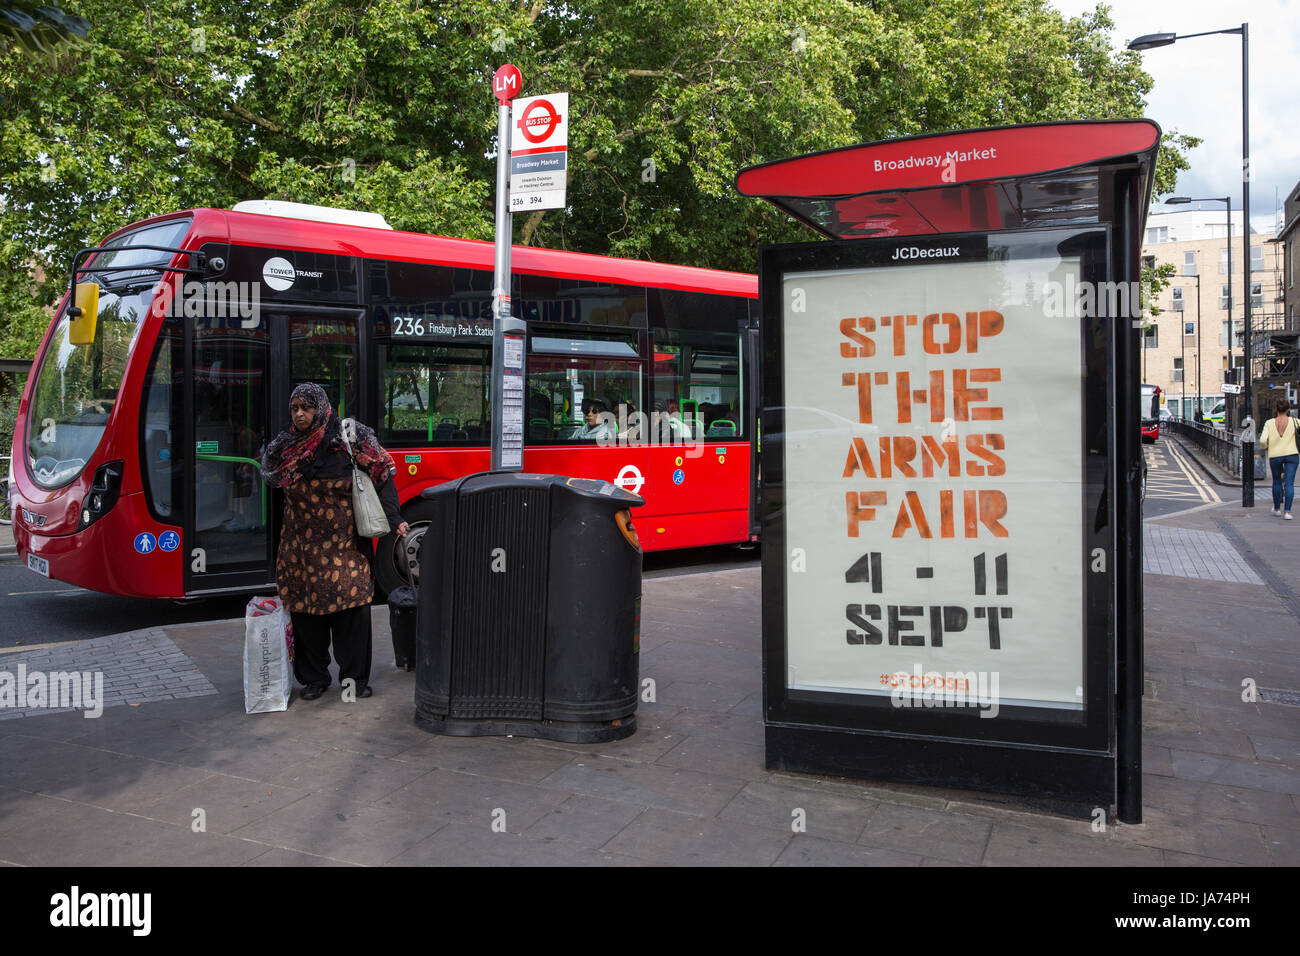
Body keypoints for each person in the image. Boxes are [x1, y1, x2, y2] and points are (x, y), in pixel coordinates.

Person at [261, 383, 409, 700]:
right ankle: (314, 680)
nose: (300, 414)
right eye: (295, 408)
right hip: (299, 548)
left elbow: (382, 474)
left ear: (322, 407)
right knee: (305, 614)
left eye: (306, 407)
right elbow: (273, 487)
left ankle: (353, 680)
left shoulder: (349, 436)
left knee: (351, 612)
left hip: (344, 547)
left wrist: (395, 519)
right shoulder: (285, 447)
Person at [1258, 395, 1299, 519]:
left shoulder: (1269, 423)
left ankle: (1277, 509)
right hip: (1292, 454)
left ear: (1276, 408)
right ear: (1288, 409)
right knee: (1289, 483)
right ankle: (1287, 512)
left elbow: (1263, 440)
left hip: (1275, 455)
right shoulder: (1295, 421)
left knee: (1276, 482)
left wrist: (1266, 447)